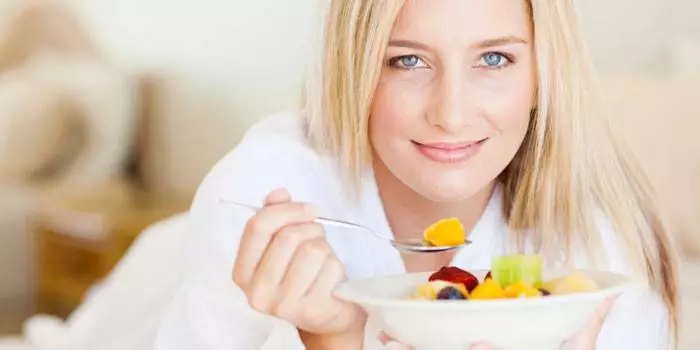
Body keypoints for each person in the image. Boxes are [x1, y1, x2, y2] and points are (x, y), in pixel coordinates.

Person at [155, 0, 679, 349]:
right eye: (407, 62)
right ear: (355, 67)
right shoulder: (260, 198)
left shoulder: (599, 243)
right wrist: (333, 339)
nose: (451, 114)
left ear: (544, 73)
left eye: (494, 59)